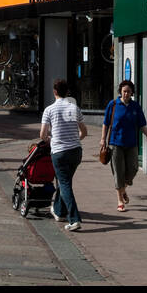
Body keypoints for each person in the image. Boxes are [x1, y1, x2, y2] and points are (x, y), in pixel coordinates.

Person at [100, 80, 147, 212]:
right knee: (118, 172)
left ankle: (123, 189)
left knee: (133, 169)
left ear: (132, 93)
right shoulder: (113, 105)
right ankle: (120, 200)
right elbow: (106, 123)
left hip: (131, 144)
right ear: (120, 91)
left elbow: (141, 123)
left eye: (129, 92)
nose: (126, 94)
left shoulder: (135, 106)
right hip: (115, 144)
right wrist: (103, 139)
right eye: (124, 91)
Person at [40, 79, 87, 230]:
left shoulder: (49, 110)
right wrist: (74, 139)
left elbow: (42, 135)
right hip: (76, 152)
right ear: (67, 92)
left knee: (64, 183)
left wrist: (51, 140)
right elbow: (84, 132)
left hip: (59, 152)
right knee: (65, 180)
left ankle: (74, 219)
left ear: (54, 92)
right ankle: (59, 211)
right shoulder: (75, 109)